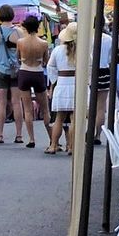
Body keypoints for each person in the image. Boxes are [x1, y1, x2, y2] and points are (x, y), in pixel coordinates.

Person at [0, 4, 22, 144]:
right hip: (16, 69)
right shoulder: (19, 32)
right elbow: (21, 51)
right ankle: (19, 135)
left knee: (1, 102)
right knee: (16, 102)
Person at [13, 17, 51, 147]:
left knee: (27, 109)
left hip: (24, 72)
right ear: (37, 27)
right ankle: (52, 137)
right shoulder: (43, 43)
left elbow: (18, 58)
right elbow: (46, 60)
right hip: (38, 72)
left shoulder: (20, 42)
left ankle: (31, 139)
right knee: (45, 109)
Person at [44, 22, 79, 155]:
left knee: (59, 118)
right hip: (77, 83)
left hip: (62, 84)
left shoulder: (57, 50)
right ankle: (71, 146)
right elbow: (90, 67)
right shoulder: (82, 50)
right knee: (74, 118)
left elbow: (50, 67)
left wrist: (54, 81)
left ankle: (53, 145)